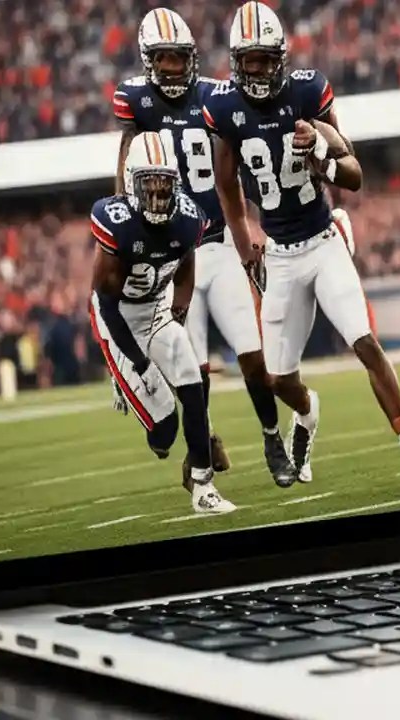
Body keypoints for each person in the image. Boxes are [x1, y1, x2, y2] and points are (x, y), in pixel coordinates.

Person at [203, 1, 400, 491]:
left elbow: (353, 172)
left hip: (322, 242)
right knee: (276, 378)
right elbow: (226, 184)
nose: (258, 70)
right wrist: (243, 236)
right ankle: (309, 416)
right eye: (249, 61)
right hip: (279, 256)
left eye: (265, 59)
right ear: (235, 62)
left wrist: (320, 155)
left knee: (365, 343)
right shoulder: (225, 110)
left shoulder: (308, 92)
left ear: (281, 57)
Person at [113, 7, 294, 487]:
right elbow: (127, 165)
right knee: (192, 366)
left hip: (216, 244)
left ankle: (272, 436)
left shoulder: (217, 96)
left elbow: (234, 166)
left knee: (253, 356)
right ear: (148, 60)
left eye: (179, 57)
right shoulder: (137, 103)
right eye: (164, 58)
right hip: (174, 254)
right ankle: (203, 448)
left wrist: (250, 223)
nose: (172, 67)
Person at [89, 131, 236, 515]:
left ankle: (203, 488)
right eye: (148, 187)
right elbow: (106, 303)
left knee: (193, 382)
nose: (157, 197)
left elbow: (186, 262)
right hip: (117, 320)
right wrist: (141, 365)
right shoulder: (116, 222)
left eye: (164, 186)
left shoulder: (187, 218)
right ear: (131, 182)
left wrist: (180, 308)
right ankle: (123, 381)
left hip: (155, 308)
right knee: (164, 433)